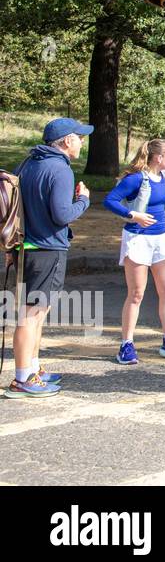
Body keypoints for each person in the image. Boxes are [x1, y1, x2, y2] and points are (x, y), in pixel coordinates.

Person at [5, 118, 92, 398]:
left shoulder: (28, 162)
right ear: (67, 141)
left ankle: (33, 368)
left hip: (25, 247)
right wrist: (84, 200)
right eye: (80, 137)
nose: (83, 142)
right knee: (32, 316)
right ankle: (22, 377)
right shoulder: (61, 170)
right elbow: (62, 215)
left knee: (35, 314)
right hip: (48, 249)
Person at [104, 138, 165, 363]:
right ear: (159, 158)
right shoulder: (136, 178)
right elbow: (110, 200)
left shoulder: (164, 178)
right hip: (138, 239)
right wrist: (133, 216)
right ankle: (126, 345)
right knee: (136, 293)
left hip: (162, 239)